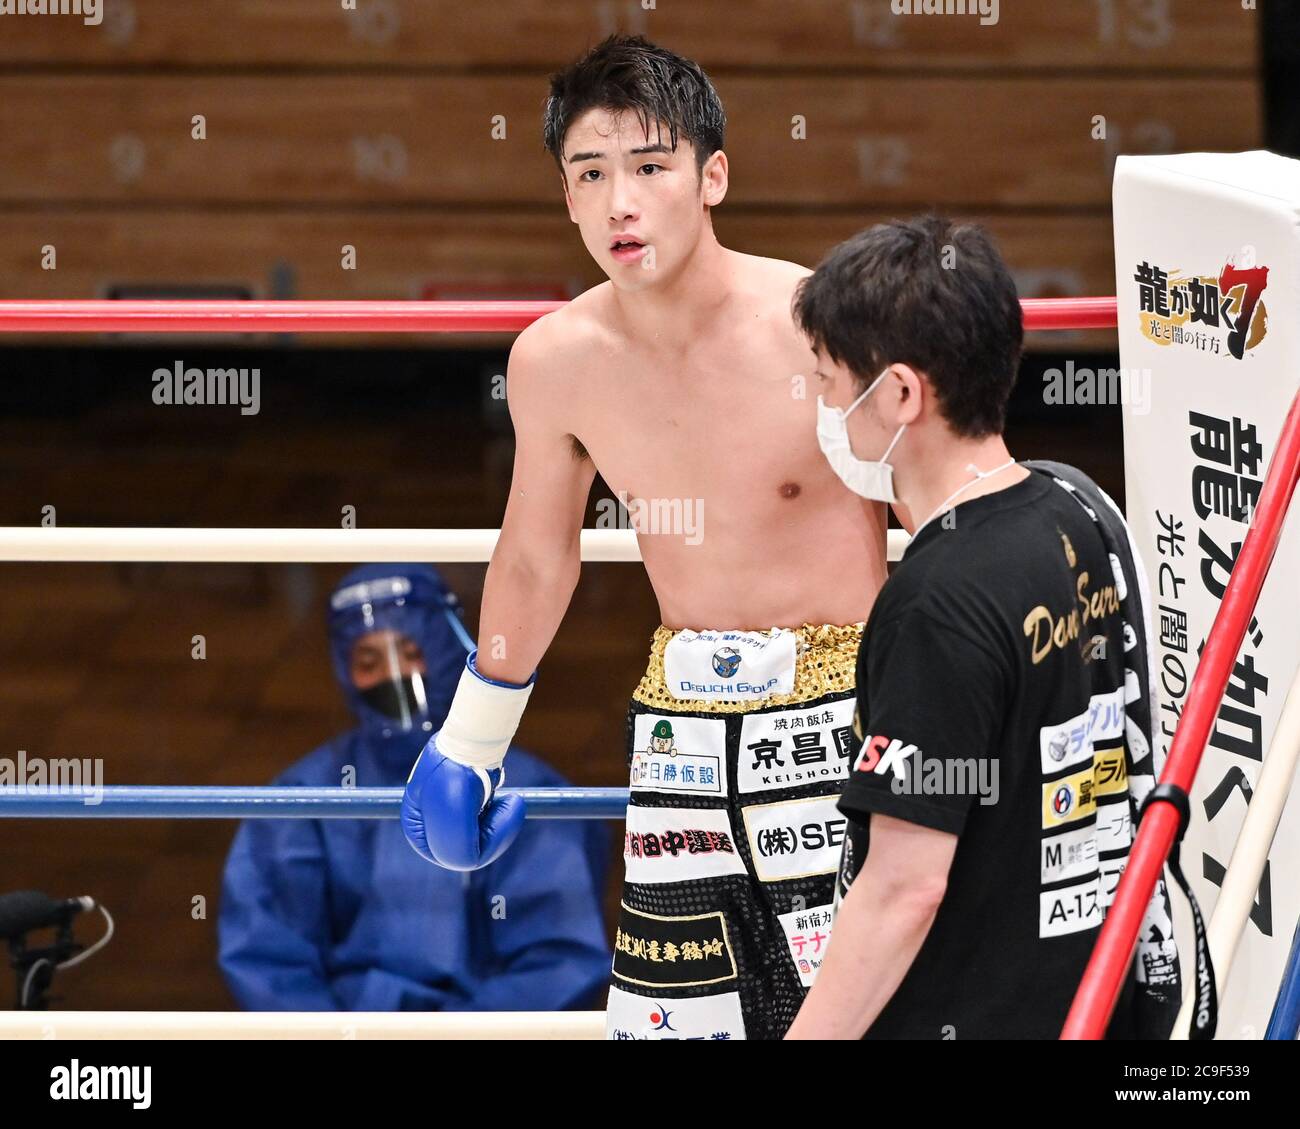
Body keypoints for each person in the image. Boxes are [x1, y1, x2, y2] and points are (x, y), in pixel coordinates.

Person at [400, 35, 889, 1040]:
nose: (620, 201)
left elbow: (944, 519)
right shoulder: (555, 360)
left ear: (711, 176)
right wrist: (471, 740)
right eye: (590, 173)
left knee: (867, 1017)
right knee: (676, 1025)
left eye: (649, 166)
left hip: (852, 707)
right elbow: (538, 554)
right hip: (682, 724)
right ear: (566, 199)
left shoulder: (824, 327)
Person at [782, 215, 1182, 1039]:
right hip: (1102, 1001)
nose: (821, 407)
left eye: (827, 381)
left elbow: (904, 886)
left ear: (897, 393)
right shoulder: (1084, 505)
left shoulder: (935, 602)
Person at [218, 563, 611, 1012]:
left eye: (409, 649)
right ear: (344, 671)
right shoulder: (305, 795)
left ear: (444, 647)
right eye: (368, 661)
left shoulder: (527, 791)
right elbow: (267, 955)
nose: (393, 673)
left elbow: (558, 958)